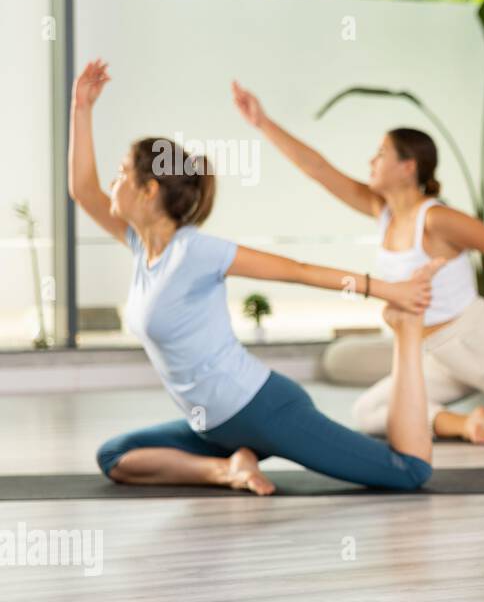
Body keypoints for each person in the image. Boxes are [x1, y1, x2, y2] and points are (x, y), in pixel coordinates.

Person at [73, 60, 437, 495]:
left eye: (121, 175)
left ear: (149, 191)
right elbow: (82, 189)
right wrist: (82, 109)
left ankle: (407, 333)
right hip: (212, 427)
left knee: (408, 472)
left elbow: (298, 272)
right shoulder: (141, 246)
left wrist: (389, 291)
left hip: (262, 409)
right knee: (114, 456)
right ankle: (228, 469)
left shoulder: (195, 250)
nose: (112, 185)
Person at [231, 82, 484, 445]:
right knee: (368, 411)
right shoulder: (382, 211)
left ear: (408, 166)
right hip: (441, 356)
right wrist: (263, 123)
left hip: (481, 345)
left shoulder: (436, 220)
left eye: (381, 153)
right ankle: (465, 424)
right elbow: (318, 170)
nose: (371, 159)